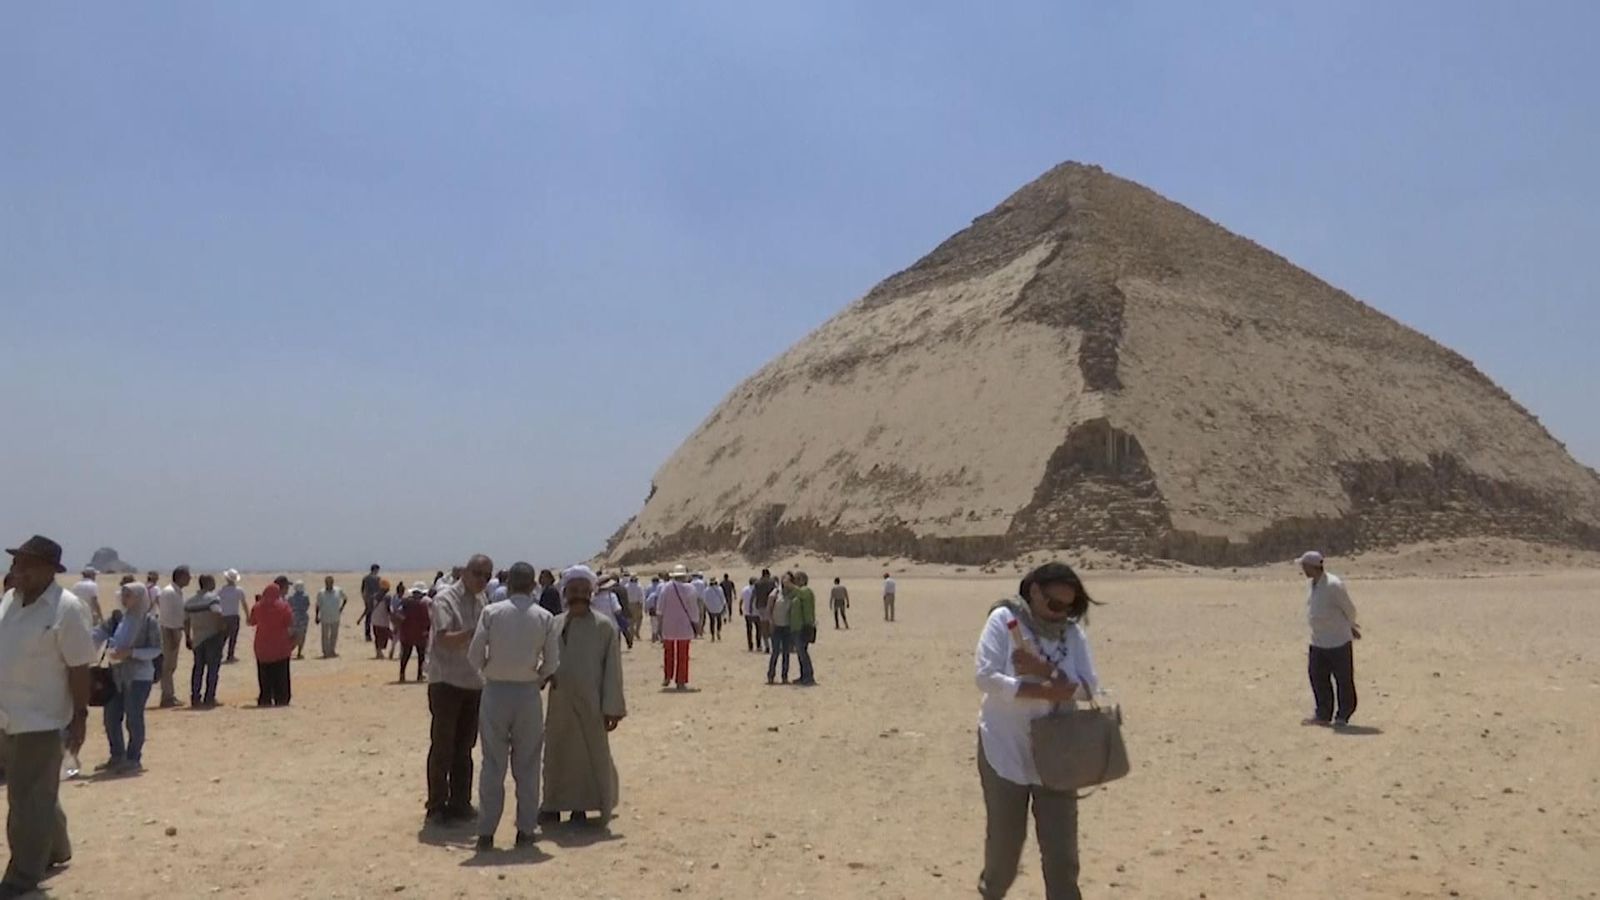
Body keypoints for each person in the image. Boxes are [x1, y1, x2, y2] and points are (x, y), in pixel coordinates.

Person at [974, 562, 1101, 900]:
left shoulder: (1071, 633)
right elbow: (985, 677)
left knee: (1062, 856)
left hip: (1059, 753)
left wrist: (1041, 669)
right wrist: (1046, 690)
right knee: (1004, 850)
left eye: (1069, 607)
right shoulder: (1004, 621)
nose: (1061, 614)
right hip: (1005, 748)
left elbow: (1089, 687)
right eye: (1054, 604)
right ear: (1033, 592)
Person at [0, 536, 96, 899]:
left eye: (23, 564)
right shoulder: (9, 600)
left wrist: (80, 717)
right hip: (6, 717)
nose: (15, 570)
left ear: (46, 569)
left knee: (26, 801)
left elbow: (78, 667)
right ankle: (56, 849)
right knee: (37, 793)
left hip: (41, 720)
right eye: (14, 563)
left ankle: (23, 875)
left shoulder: (66, 609)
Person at [468, 562, 560, 850]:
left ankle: (486, 832)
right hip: (527, 694)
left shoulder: (492, 612)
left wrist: (488, 672)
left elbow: (474, 654)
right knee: (528, 764)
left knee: (493, 764)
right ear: (534, 585)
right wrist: (538, 677)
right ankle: (525, 830)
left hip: (495, 692)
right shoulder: (545, 617)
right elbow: (553, 662)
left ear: (508, 586)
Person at [539, 565, 626, 827]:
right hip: (560, 702)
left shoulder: (604, 627)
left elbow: (613, 670)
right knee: (556, 754)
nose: (578, 596)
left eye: (583, 591)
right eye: (573, 591)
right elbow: (544, 660)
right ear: (565, 593)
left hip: (591, 704)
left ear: (592, 593)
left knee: (588, 756)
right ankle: (552, 804)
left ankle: (582, 807)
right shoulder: (553, 624)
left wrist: (612, 707)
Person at [425, 554, 492, 825]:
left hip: (473, 682)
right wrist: (474, 632)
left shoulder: (482, 601)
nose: (482, 580)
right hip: (446, 682)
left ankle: (460, 802)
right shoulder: (445, 600)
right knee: (443, 746)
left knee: (465, 746)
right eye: (478, 574)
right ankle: (437, 804)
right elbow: (443, 640)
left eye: (487, 576)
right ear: (465, 572)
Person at [92, 582, 162, 773]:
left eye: (128, 595)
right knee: (111, 717)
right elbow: (97, 635)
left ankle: (133, 758)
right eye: (123, 595)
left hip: (139, 677)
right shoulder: (118, 619)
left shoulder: (149, 622)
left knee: (133, 717)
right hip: (115, 675)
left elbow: (156, 650)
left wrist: (131, 653)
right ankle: (117, 756)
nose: (124, 599)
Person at [1298, 551, 1361, 728]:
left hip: (1338, 640)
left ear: (1313, 567)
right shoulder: (1312, 584)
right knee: (1317, 677)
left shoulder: (1334, 585)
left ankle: (1343, 715)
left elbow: (1349, 608)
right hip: (1317, 641)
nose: (1303, 569)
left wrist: (1351, 625)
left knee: (1343, 679)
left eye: (1304, 566)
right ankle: (1323, 714)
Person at [246, 583, 295, 707]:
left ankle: (265, 697)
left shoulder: (257, 607)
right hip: (281, 646)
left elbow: (251, 621)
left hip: (262, 646)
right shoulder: (284, 606)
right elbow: (290, 622)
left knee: (264, 674)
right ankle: (282, 698)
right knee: (281, 674)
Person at [183, 575, 227, 709]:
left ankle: (195, 697)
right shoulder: (213, 599)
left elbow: (186, 621)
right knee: (212, 669)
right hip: (212, 636)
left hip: (197, 637)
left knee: (198, 669)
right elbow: (217, 614)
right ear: (208, 583)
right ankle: (210, 697)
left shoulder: (190, 601)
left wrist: (187, 637)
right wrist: (221, 629)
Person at [656, 565, 702, 690]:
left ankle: (667, 676)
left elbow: (659, 608)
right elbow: (693, 610)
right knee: (683, 654)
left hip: (668, 625)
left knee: (668, 652)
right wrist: (697, 625)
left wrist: (658, 626)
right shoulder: (690, 588)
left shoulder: (665, 588)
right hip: (684, 625)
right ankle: (680, 680)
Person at [155, 566, 192, 708]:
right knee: (168, 666)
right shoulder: (170, 593)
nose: (189, 579)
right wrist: (172, 635)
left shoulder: (176, 592)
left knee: (171, 666)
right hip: (170, 630)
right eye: (187, 576)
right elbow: (168, 616)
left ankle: (169, 694)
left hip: (175, 630)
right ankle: (167, 697)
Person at [396, 582, 431, 683]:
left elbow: (399, 615)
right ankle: (419, 675)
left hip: (406, 633)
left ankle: (402, 674)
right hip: (420, 634)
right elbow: (426, 619)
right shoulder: (423, 605)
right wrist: (427, 631)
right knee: (421, 655)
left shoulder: (405, 603)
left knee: (405, 654)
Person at [766, 573, 796, 685]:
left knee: (786, 653)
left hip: (787, 627)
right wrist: (771, 623)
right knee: (775, 652)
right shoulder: (775, 594)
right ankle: (771, 675)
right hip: (777, 627)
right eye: (785, 580)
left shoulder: (792, 594)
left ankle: (784, 676)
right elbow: (768, 610)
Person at [790, 571, 818, 686]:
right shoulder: (798, 593)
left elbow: (800, 593)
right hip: (798, 627)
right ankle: (803, 676)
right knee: (800, 653)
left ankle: (809, 676)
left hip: (804, 626)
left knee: (803, 653)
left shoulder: (806, 591)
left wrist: (789, 585)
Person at [360, 579, 395, 659]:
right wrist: (393, 617)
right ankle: (388, 650)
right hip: (383, 620)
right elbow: (388, 609)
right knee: (389, 635)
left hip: (374, 619)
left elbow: (369, 608)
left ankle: (378, 653)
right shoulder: (387, 597)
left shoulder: (373, 596)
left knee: (377, 636)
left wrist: (361, 618)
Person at [218, 569, 247, 663]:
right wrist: (248, 615)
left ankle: (218, 655)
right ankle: (230, 655)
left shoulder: (221, 590)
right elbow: (244, 604)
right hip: (234, 616)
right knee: (233, 638)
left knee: (222, 637)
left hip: (223, 616)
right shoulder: (239, 590)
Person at [316, 575, 347, 658]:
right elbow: (318, 605)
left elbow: (345, 598)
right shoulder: (321, 592)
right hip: (324, 616)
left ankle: (332, 650)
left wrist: (341, 608)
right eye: (327, 583)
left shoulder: (338, 591)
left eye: (330, 583)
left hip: (335, 616)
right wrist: (317, 616)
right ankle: (325, 652)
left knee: (334, 635)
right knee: (325, 636)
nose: (328, 584)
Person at [285, 581, 312, 660]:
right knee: (301, 636)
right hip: (303, 619)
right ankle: (299, 653)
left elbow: (288, 606)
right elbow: (307, 605)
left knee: (290, 636)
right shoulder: (306, 596)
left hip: (292, 618)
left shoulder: (290, 597)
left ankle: (288, 652)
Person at [753, 569, 777, 650]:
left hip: (760, 606)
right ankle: (773, 644)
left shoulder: (757, 583)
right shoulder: (772, 582)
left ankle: (766, 645)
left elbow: (755, 595)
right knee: (772, 626)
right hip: (771, 606)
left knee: (763, 627)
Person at [700, 573, 728, 642]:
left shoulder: (706, 590)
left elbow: (704, 599)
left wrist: (707, 607)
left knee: (712, 622)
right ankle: (718, 631)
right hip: (719, 607)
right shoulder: (720, 589)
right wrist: (724, 606)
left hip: (711, 609)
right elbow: (723, 598)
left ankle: (712, 635)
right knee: (719, 620)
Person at [360, 564, 382, 643]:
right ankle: (370, 634)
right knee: (372, 618)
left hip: (371, 600)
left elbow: (362, 590)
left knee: (370, 618)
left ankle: (369, 634)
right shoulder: (375, 579)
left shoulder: (367, 578)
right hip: (372, 600)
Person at [741, 577, 762, 652]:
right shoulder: (758, 589)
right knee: (758, 629)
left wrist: (740, 608)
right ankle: (759, 645)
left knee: (749, 630)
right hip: (757, 612)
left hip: (747, 612)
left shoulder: (744, 589)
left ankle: (750, 646)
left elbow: (741, 600)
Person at [624, 575, 645, 644]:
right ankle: (637, 632)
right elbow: (641, 596)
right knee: (639, 619)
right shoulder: (639, 586)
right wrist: (641, 605)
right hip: (637, 604)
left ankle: (632, 634)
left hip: (629, 604)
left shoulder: (626, 586)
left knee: (631, 621)